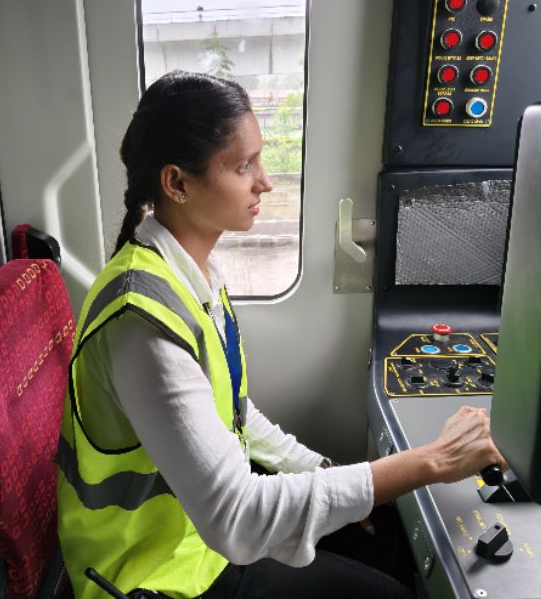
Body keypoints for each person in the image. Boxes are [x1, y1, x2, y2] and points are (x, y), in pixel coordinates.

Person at [55, 71, 505, 599]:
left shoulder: (190, 275)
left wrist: (323, 469)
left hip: (198, 542)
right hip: (159, 576)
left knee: (382, 542)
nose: (265, 182)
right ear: (177, 183)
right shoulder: (141, 318)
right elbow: (238, 517)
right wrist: (430, 462)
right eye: (244, 165)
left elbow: (235, 415)